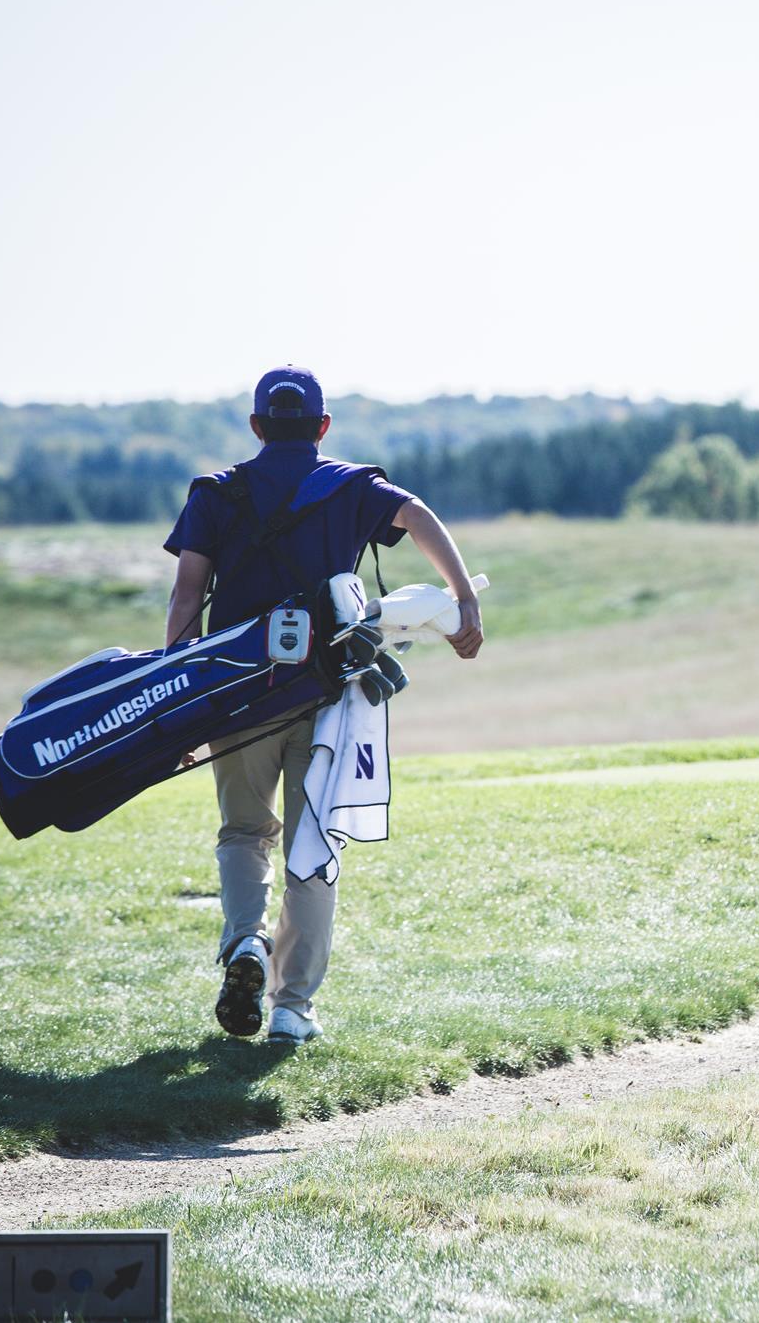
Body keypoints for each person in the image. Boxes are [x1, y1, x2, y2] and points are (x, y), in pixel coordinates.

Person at [162, 365, 483, 1045]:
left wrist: (180, 705)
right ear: (323, 426)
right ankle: (292, 1008)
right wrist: (464, 598)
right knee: (314, 845)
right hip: (327, 695)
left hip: (237, 696)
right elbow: (418, 515)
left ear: (257, 426)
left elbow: (186, 598)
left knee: (244, 832)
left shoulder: (215, 493)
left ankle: (245, 941)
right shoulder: (351, 486)